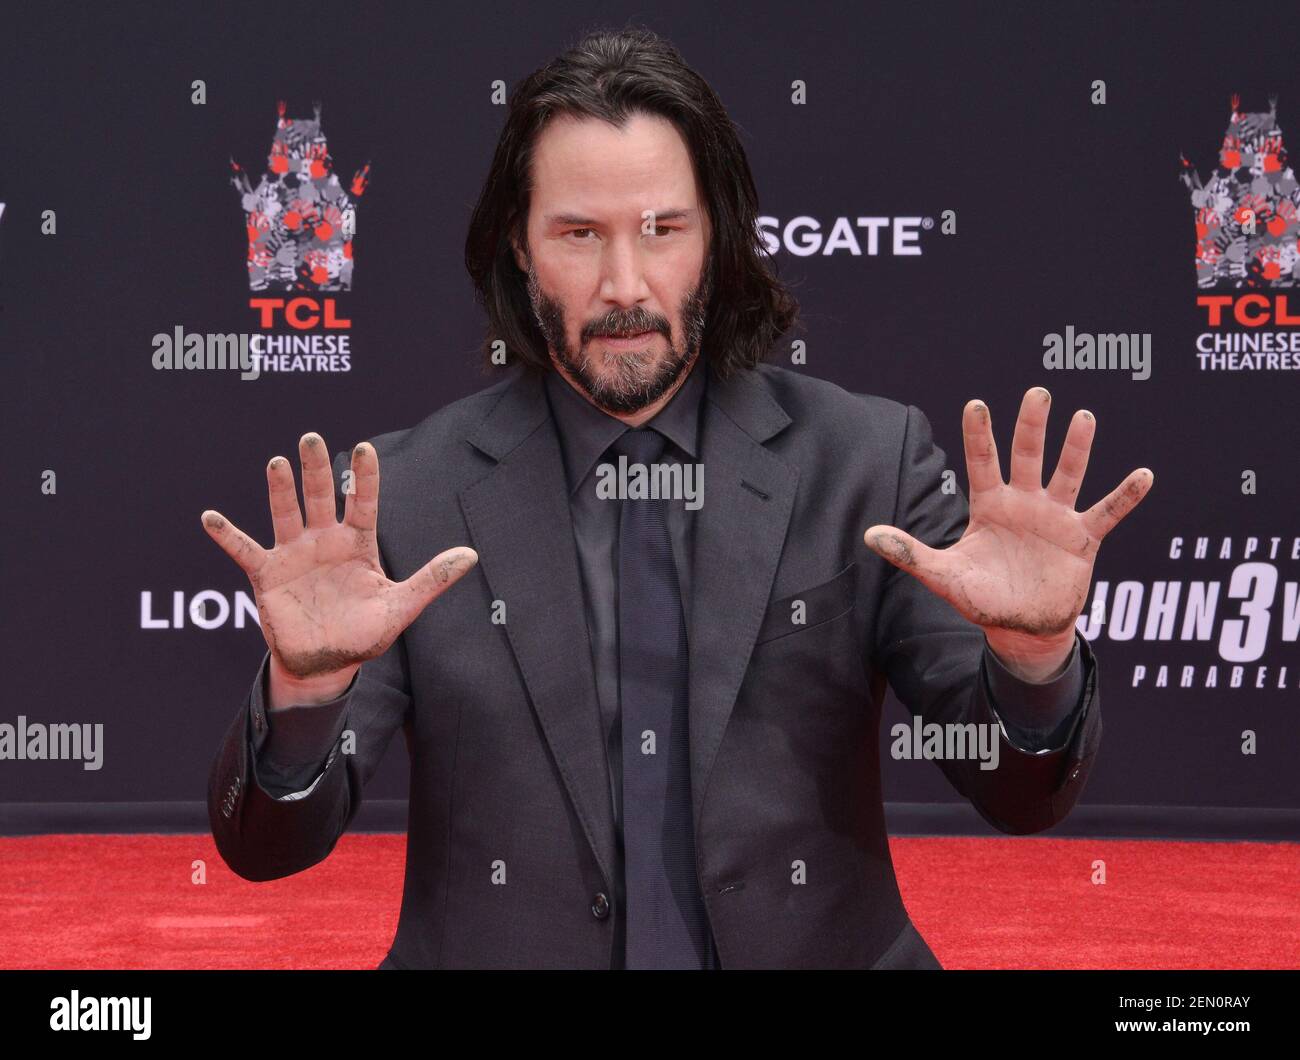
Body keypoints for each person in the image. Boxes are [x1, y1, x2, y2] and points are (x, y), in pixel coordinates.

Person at [203, 26, 1152, 969]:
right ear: (521, 251)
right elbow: (268, 847)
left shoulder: (866, 463)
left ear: (721, 240)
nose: (626, 285)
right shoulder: (408, 494)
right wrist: (306, 693)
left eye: (663, 229)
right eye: (578, 234)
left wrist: (1033, 659)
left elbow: (1020, 796)